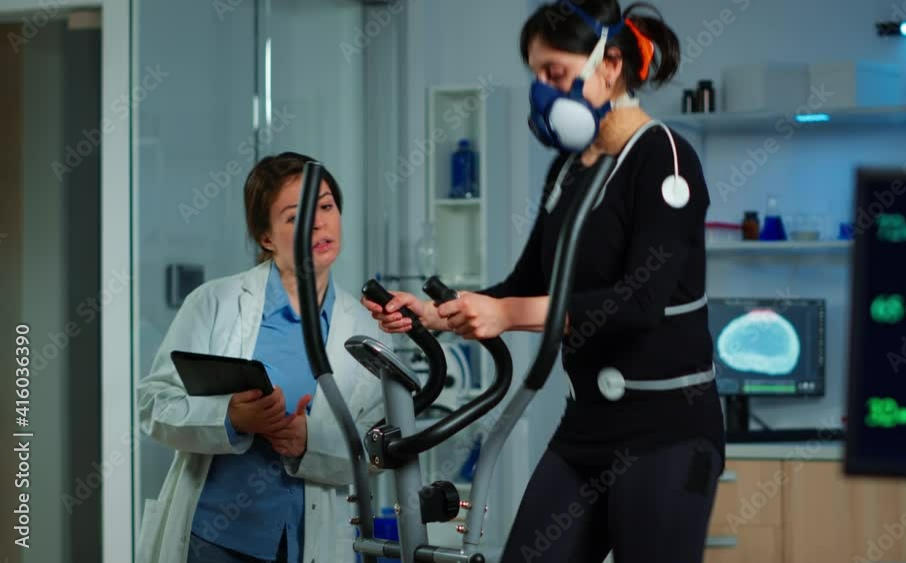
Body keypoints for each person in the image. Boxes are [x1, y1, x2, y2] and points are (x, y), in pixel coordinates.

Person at [362, 1, 725, 561]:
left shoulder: (664, 155)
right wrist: (439, 313)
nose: (542, 90)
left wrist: (506, 316)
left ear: (611, 65)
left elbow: (640, 302)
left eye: (554, 73)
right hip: (586, 428)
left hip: (668, 431)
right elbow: (524, 281)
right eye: (535, 75)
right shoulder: (568, 169)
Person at [137, 152, 384, 563]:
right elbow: (153, 404)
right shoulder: (214, 303)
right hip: (216, 538)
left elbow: (381, 446)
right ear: (266, 237)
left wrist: (311, 441)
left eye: (325, 206)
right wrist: (231, 418)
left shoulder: (367, 328)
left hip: (315, 542)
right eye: (294, 216)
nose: (318, 223)